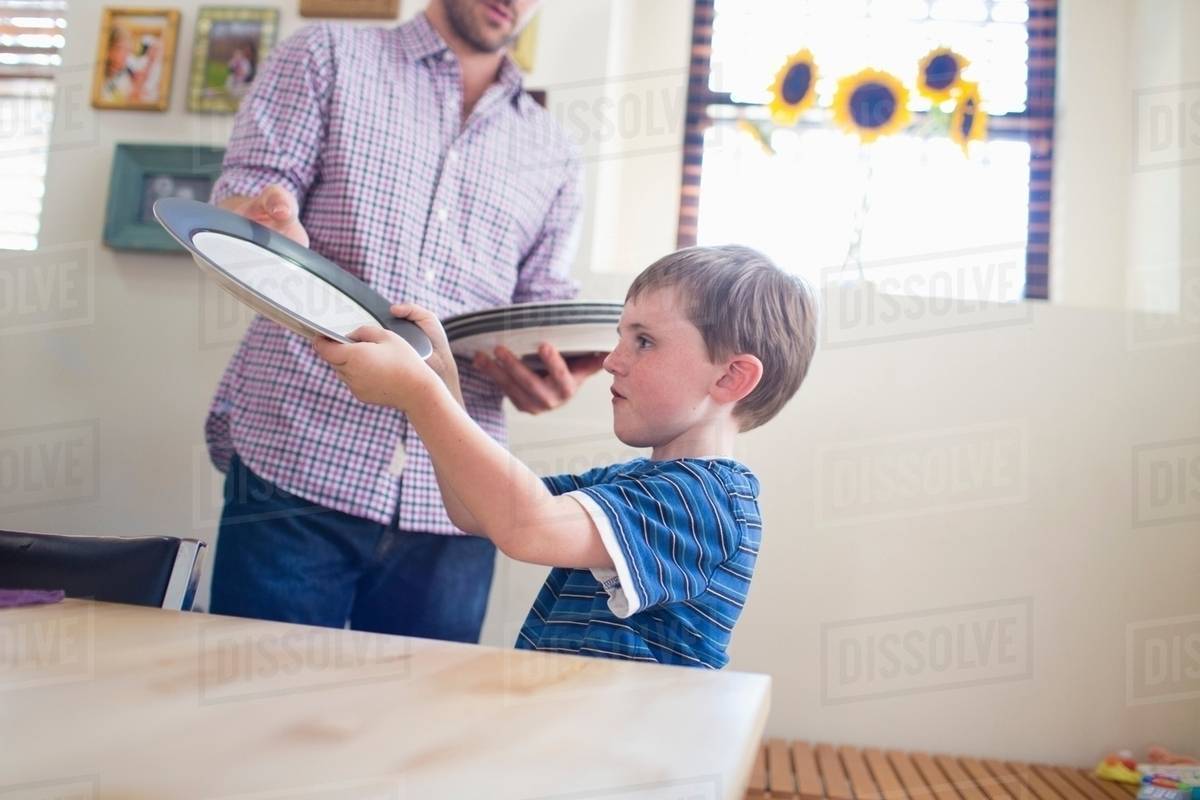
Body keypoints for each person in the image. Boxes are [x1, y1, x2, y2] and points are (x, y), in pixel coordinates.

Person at [206, 0, 604, 642]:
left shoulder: (553, 150)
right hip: (297, 462)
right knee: (254, 725)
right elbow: (248, 198)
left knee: (425, 735)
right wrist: (261, 221)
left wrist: (552, 372)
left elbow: (539, 302)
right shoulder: (325, 55)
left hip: (454, 503)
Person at [313, 245, 819, 668]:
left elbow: (525, 526)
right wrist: (443, 382)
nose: (612, 361)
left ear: (730, 378)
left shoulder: (705, 504)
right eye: (620, 336)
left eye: (643, 341)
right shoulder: (630, 485)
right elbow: (478, 512)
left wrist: (421, 395)